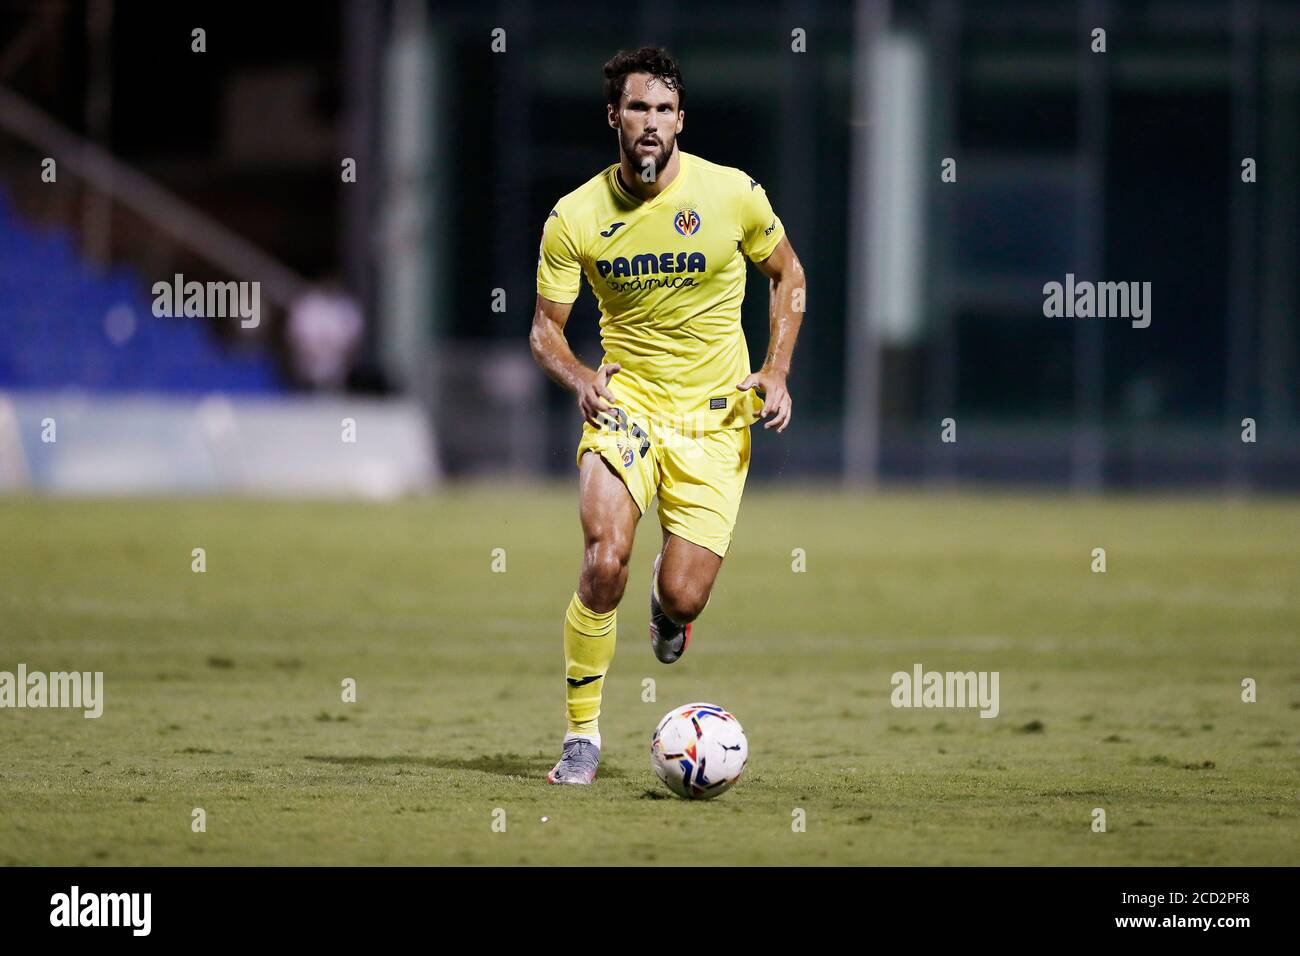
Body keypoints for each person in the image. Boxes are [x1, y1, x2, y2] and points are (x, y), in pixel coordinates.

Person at [529, 46, 806, 785]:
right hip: (628, 410)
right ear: (613, 116)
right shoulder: (575, 217)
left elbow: (788, 275)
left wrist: (776, 370)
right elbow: (543, 329)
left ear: (680, 119)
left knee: (684, 593)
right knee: (603, 560)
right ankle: (582, 737)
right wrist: (581, 376)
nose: (650, 123)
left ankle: (667, 609)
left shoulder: (733, 194)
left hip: (714, 422)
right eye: (637, 108)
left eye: (663, 109)